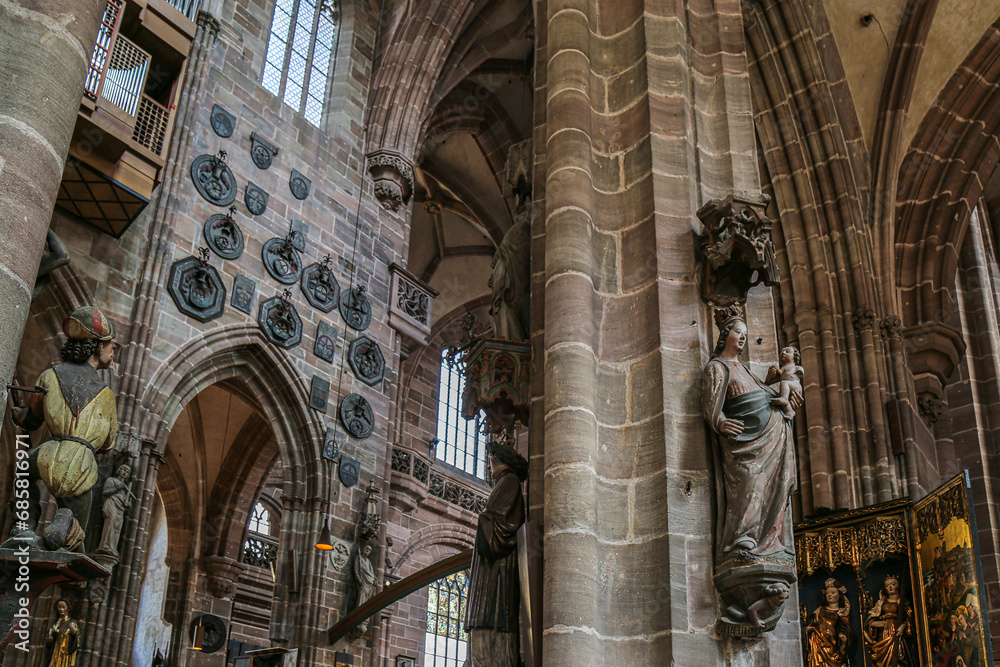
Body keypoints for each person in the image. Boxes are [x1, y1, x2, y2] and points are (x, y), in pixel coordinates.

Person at [11, 306, 119, 541]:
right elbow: (108, 445)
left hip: (49, 453)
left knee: (23, 470)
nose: (113, 349)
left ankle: (24, 524)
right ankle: (64, 523)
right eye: (110, 343)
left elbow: (31, 419)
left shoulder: (50, 376)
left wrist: (17, 413)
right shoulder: (107, 395)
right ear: (96, 346)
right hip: (81, 464)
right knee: (73, 543)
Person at [702, 305, 800, 559]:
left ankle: (771, 540)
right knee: (750, 482)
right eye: (738, 332)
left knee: (775, 485)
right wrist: (720, 421)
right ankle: (743, 537)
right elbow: (712, 402)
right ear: (725, 335)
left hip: (774, 434)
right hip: (746, 441)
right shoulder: (717, 366)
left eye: (745, 333)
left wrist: (780, 392)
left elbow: (762, 396)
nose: (743, 337)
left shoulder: (745, 369)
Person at [464, 439, 527, 667]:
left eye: (491, 460)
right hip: (491, 571)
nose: (489, 465)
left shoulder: (509, 481)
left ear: (499, 461)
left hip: (497, 571)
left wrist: (484, 519)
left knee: (491, 629)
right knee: (482, 630)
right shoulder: (504, 483)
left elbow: (502, 525)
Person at [864, 574, 916, 666]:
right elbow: (870, 619)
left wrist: (904, 626)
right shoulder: (881, 603)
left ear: (899, 586)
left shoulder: (903, 603)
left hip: (898, 633)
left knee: (899, 657)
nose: (890, 587)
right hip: (884, 635)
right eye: (887, 586)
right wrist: (874, 623)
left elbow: (910, 619)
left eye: (893, 584)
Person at [805, 579, 853, 667]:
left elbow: (845, 627)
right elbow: (811, 623)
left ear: (839, 595)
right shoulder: (819, 611)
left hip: (834, 647)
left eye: (833, 593)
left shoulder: (842, 612)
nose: (829, 595)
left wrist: (843, 636)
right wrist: (809, 629)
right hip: (819, 644)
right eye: (827, 593)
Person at [96, 464, 133, 557]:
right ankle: (105, 546)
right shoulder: (111, 480)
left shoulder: (125, 488)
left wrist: (127, 504)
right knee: (110, 524)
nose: (125, 473)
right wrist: (118, 488)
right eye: (123, 470)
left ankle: (112, 548)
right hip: (112, 504)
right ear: (119, 470)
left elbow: (124, 500)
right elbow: (105, 492)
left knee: (117, 527)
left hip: (119, 508)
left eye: (127, 472)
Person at [350, 543, 377, 639]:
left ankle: (365, 620)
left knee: (368, 601)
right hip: (363, 583)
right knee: (362, 598)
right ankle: (359, 619)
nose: (367, 550)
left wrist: (374, 579)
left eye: (369, 549)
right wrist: (359, 580)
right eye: (366, 548)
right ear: (363, 549)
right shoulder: (358, 558)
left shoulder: (368, 562)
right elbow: (356, 570)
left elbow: (372, 573)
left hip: (370, 583)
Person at [769, 346, 803, 420]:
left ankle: (784, 398)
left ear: (795, 356)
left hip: (795, 385)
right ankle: (789, 411)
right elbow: (769, 382)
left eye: (787, 352)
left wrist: (799, 373)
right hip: (787, 386)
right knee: (782, 394)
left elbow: (800, 373)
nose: (783, 353)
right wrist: (771, 375)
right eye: (782, 352)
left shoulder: (795, 367)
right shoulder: (782, 369)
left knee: (784, 383)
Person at [45, 599, 79, 667]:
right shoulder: (56, 624)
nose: (61, 609)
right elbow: (52, 640)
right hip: (56, 652)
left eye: (63, 607)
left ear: (68, 609)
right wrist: (49, 641)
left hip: (65, 654)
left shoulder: (71, 623)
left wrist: (74, 634)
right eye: (59, 607)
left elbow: (76, 641)